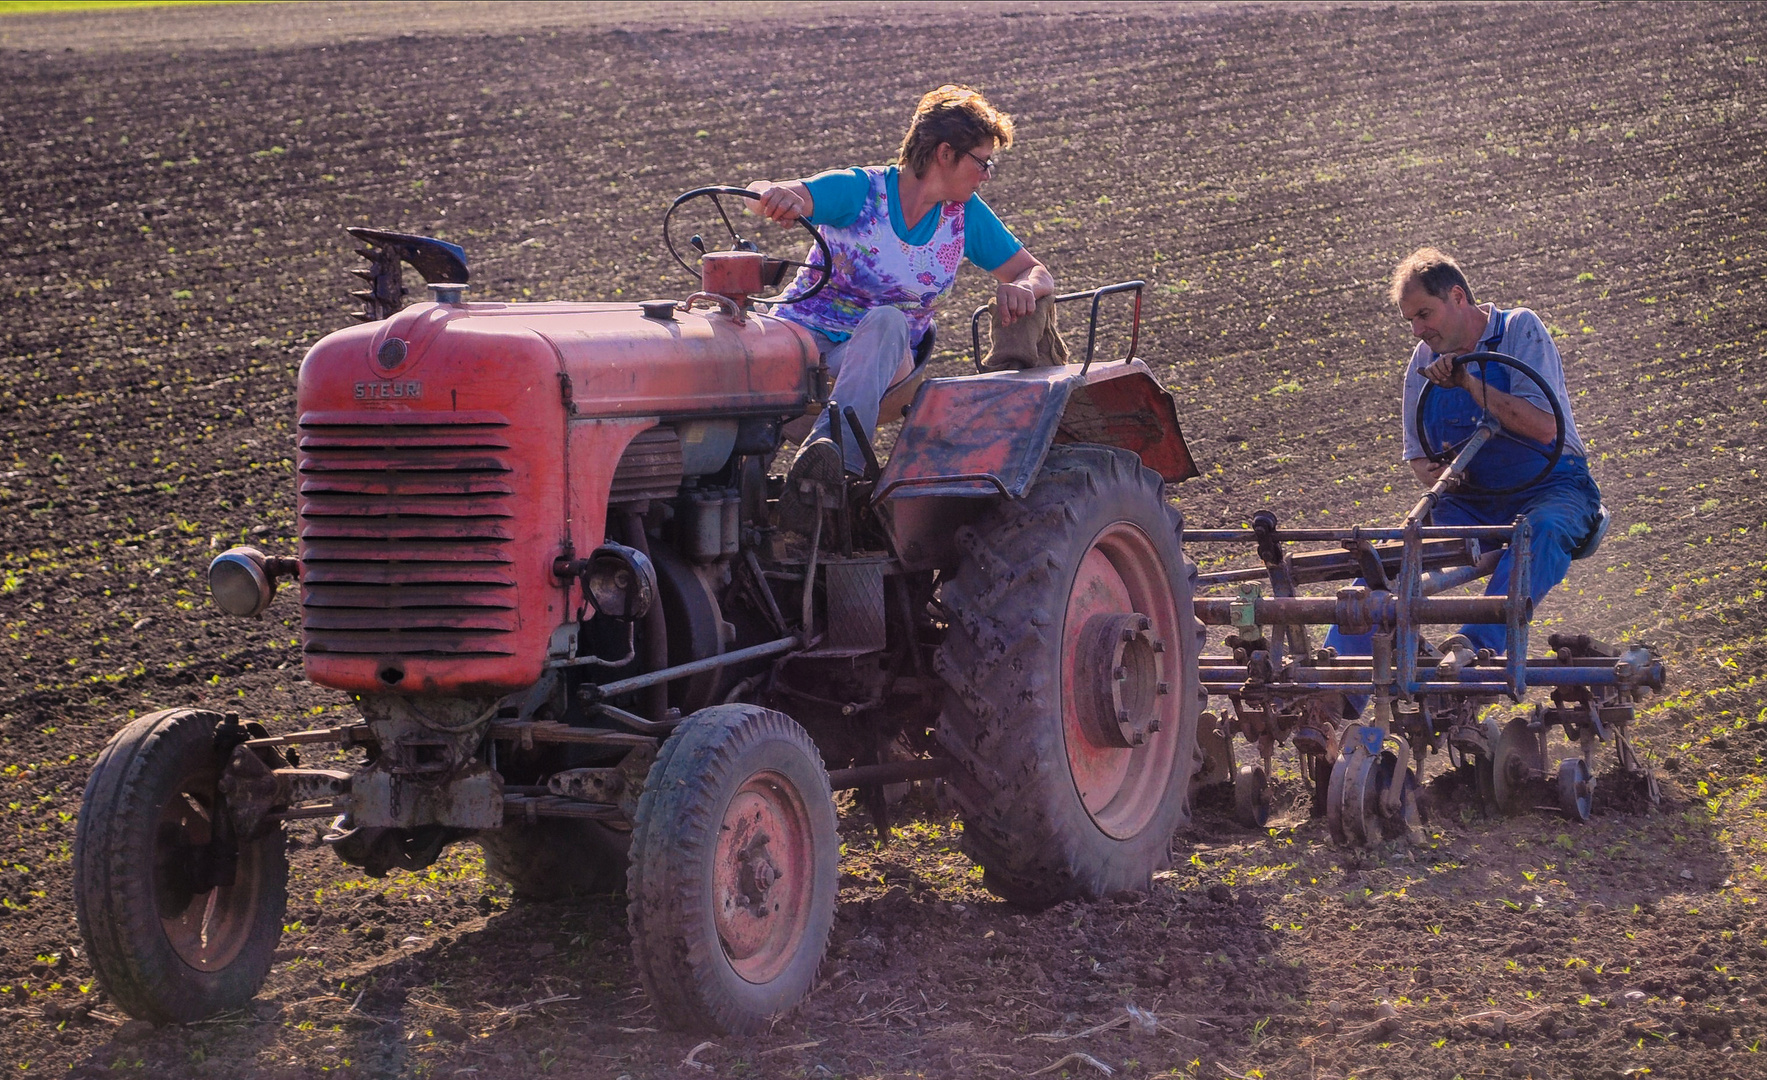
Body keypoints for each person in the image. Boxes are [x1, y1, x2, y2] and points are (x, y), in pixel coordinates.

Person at [746, 84, 1055, 532]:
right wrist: (774, 195)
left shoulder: (963, 215)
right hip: (800, 339)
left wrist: (1023, 287)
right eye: (982, 162)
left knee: (888, 320)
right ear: (946, 154)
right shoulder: (860, 191)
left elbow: (1035, 271)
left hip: (888, 363)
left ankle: (830, 469)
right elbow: (773, 193)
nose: (986, 174)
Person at [1324, 247, 1604, 669]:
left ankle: (1474, 650)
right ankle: (1336, 690)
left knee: (1538, 531)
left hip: (1552, 488)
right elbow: (1419, 458)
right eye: (1411, 321)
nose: (1418, 330)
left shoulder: (1517, 329)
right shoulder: (1422, 362)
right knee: (1389, 557)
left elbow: (1545, 427)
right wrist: (1435, 474)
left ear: (1457, 297)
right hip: (1471, 502)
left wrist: (1469, 383)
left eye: (1424, 314)